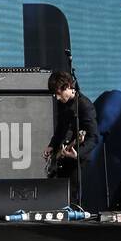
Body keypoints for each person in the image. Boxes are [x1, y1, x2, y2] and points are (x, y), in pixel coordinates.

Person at [42, 70, 97, 207]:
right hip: (63, 157)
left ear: (67, 87)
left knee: (72, 200)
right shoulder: (63, 104)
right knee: (58, 199)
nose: (57, 98)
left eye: (58, 93)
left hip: (77, 161)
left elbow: (93, 137)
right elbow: (61, 128)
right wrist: (52, 145)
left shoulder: (85, 105)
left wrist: (78, 153)